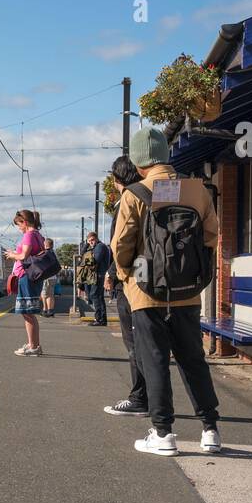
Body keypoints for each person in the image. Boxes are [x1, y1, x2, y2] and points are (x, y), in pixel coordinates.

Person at [113, 126, 222, 456]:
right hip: (187, 291)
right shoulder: (196, 190)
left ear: (138, 161)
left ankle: (163, 434)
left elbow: (121, 245)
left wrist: (126, 277)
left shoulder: (135, 193)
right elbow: (211, 236)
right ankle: (211, 430)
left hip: (146, 292)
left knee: (155, 360)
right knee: (193, 360)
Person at [103, 155, 148, 417]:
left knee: (134, 343)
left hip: (130, 283)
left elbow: (120, 245)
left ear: (116, 178)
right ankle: (150, 399)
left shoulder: (127, 201)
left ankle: (140, 398)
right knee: (147, 343)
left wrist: (113, 273)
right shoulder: (151, 196)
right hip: (152, 280)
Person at [5, 209, 45, 356]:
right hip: (31, 277)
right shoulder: (38, 235)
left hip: (26, 277)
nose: (19, 228)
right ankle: (33, 344)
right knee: (29, 313)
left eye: (19, 224)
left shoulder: (29, 235)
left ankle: (33, 347)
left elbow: (23, 256)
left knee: (27, 313)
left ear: (25, 222)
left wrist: (12, 255)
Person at [78, 231, 111, 325]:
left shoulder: (100, 247)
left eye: (92, 240)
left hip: (99, 275)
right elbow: (82, 255)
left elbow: (95, 260)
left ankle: (99, 319)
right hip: (94, 275)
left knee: (95, 295)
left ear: (96, 238)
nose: (91, 242)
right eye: (89, 241)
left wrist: (86, 258)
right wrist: (86, 245)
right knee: (97, 296)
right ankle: (101, 319)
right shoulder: (94, 247)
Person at [39, 238, 58, 317]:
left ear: (45, 244)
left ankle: (45, 310)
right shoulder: (54, 253)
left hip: (46, 278)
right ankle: (51, 311)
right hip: (53, 277)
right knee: (51, 294)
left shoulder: (45, 253)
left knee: (44, 295)